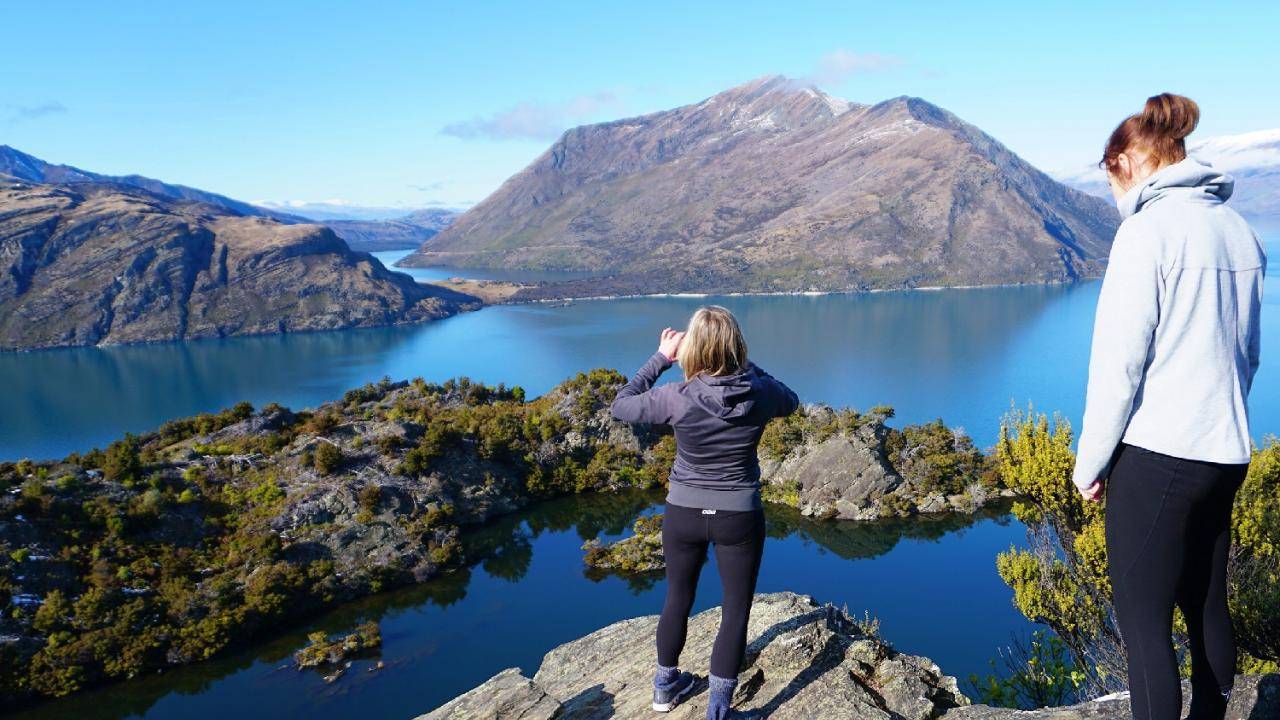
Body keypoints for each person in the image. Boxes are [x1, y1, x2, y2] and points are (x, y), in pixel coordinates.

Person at [1072, 93, 1266, 720]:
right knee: (1208, 604)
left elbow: (1119, 366)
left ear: (1127, 161)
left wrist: (1091, 462)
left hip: (1159, 456)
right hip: (1225, 451)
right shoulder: (1239, 231)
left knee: (1145, 626)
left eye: (1108, 176)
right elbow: (1248, 356)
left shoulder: (1145, 233)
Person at [611, 305, 799, 718]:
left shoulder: (677, 397)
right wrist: (742, 364)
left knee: (678, 596)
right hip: (738, 515)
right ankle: (718, 710)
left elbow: (621, 405)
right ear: (737, 347)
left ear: (691, 348)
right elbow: (791, 399)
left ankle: (665, 688)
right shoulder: (760, 393)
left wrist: (661, 357)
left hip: (684, 512)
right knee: (736, 608)